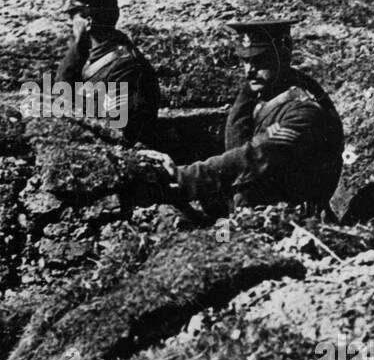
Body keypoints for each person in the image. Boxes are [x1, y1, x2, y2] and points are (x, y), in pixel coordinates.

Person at [145, 20, 342, 215]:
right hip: (252, 204)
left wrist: (183, 177)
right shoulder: (263, 90)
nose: (249, 71)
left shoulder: (305, 110)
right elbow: (236, 138)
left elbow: (253, 156)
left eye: (259, 60)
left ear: (283, 55)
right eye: (245, 61)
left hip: (290, 217)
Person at [52, 0, 159, 146]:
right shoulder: (92, 54)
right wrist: (77, 46)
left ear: (88, 22)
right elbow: (61, 95)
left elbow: (123, 133)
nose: (69, 24)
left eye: (72, 17)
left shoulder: (126, 67)